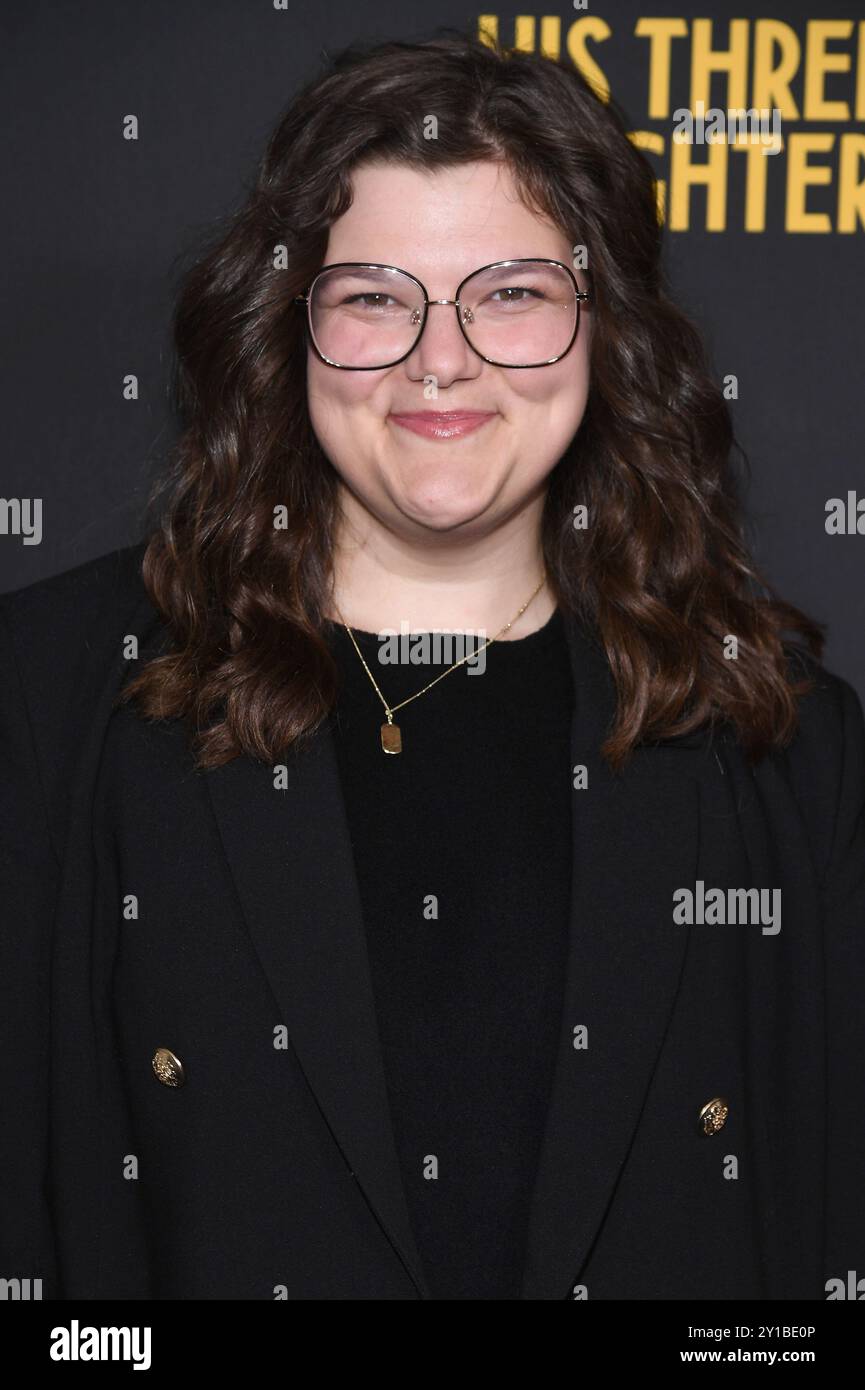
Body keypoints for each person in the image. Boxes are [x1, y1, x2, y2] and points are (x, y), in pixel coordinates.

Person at [1, 29, 863, 1302]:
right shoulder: (54, 698)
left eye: (510, 290)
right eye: (374, 297)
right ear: (285, 330)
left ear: (602, 327)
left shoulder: (781, 743)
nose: (439, 357)